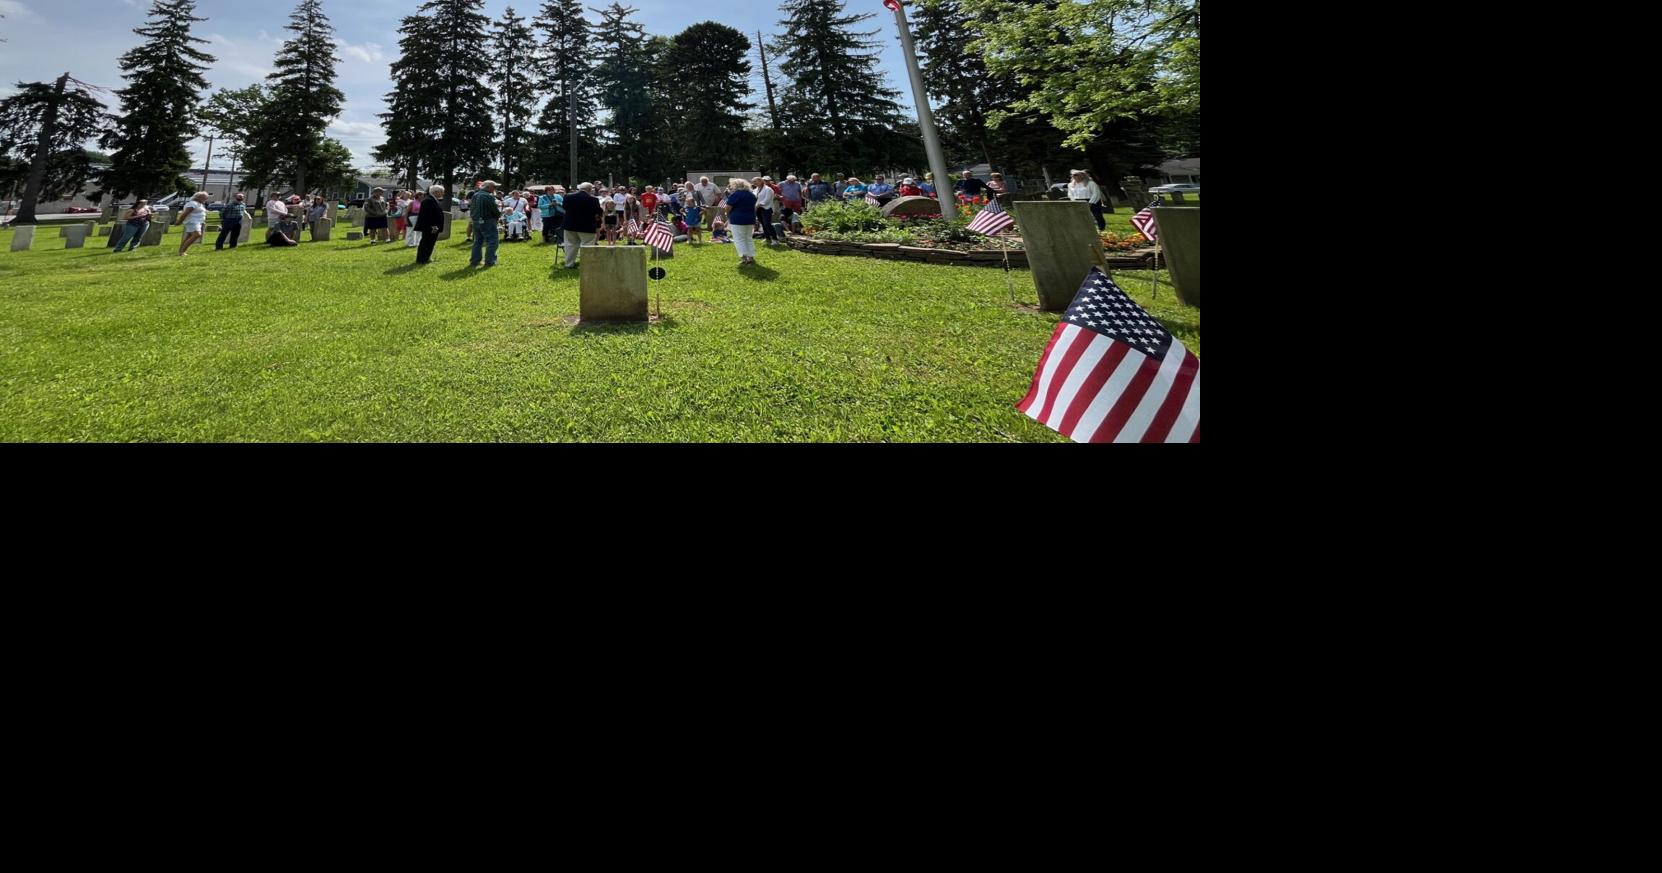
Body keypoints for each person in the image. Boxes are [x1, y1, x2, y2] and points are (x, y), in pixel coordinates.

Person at [561, 181, 601, 268]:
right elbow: (598, 211)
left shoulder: (568, 196)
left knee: (570, 245)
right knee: (587, 245)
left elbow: (564, 207)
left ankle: (569, 264)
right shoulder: (594, 200)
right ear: (589, 190)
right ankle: (586, 264)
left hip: (570, 225)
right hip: (587, 226)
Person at [725, 178, 759, 264]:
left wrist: (727, 214)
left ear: (736, 185)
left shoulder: (735, 194)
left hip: (737, 219)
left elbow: (728, 207)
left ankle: (744, 258)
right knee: (748, 238)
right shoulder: (752, 195)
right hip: (750, 218)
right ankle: (751, 257)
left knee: (739, 239)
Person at [469, 180, 501, 266]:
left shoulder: (475, 195)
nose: (495, 189)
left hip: (476, 221)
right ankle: (490, 261)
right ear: (489, 187)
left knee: (478, 241)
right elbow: (495, 210)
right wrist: (499, 215)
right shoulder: (488, 196)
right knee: (492, 241)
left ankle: (474, 261)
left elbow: (471, 208)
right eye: (494, 187)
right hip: (487, 221)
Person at [415, 184, 445, 264]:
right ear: (435, 192)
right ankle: (422, 259)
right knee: (426, 242)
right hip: (430, 226)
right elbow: (427, 215)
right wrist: (433, 226)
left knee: (430, 242)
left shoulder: (432, 199)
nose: (442, 193)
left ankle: (426, 258)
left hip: (432, 226)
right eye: (441, 192)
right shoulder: (428, 200)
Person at [174, 191, 211, 256]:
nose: (206, 200)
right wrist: (179, 221)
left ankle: (180, 251)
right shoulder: (192, 204)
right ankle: (182, 252)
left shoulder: (199, 204)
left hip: (197, 222)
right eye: (205, 198)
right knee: (197, 235)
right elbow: (185, 213)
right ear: (198, 197)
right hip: (192, 222)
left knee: (188, 237)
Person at [751, 176, 778, 246]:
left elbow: (767, 199)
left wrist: (758, 205)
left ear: (761, 181)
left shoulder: (768, 189)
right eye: (753, 182)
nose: (754, 183)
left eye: (755, 182)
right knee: (762, 224)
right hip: (758, 209)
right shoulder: (755, 189)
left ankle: (775, 239)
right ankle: (767, 238)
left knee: (767, 223)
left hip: (767, 208)